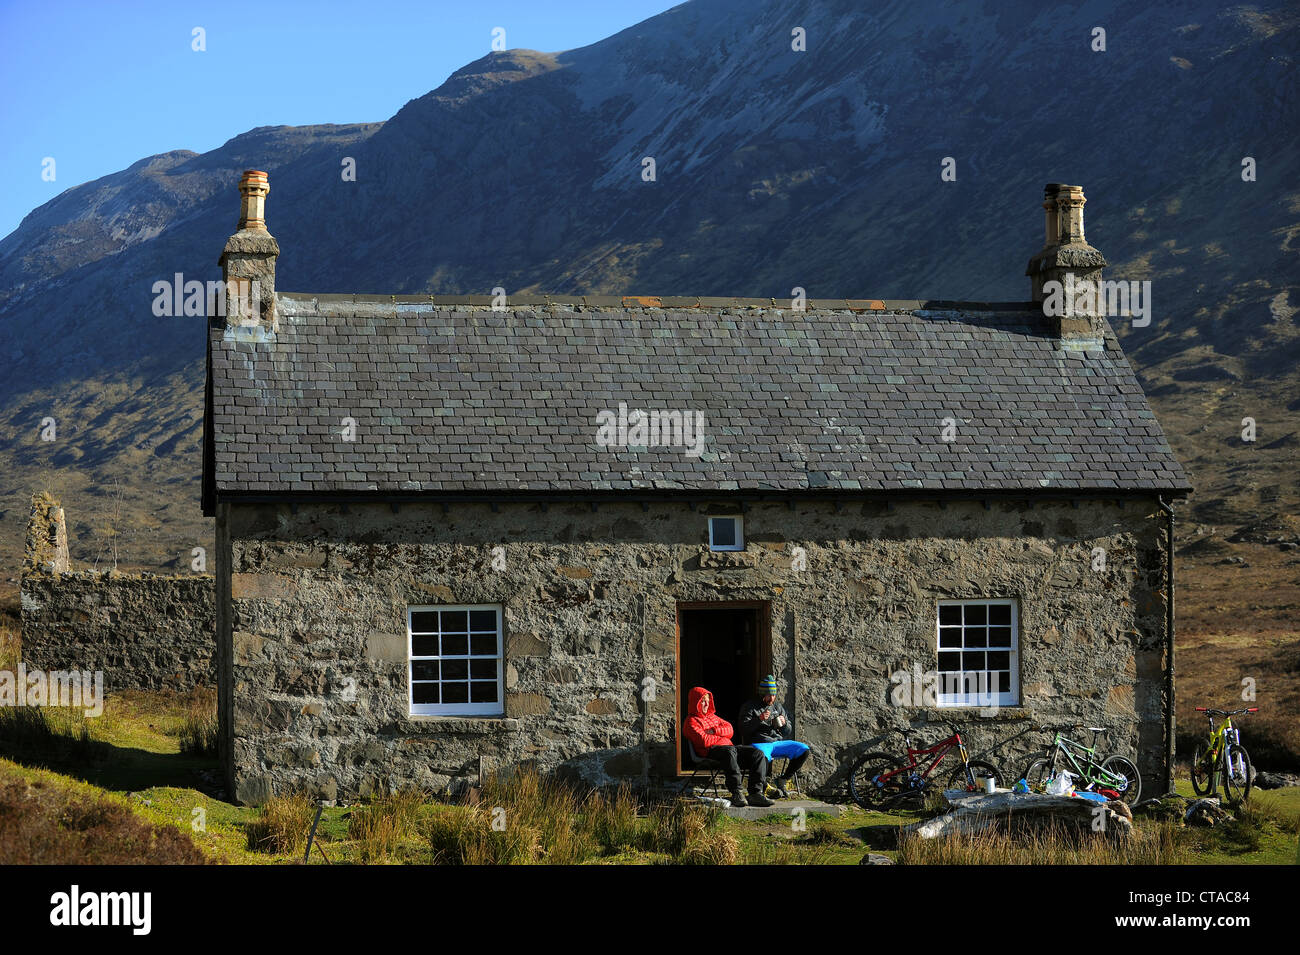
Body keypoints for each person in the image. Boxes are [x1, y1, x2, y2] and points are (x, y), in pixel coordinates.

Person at [684, 686, 772, 807]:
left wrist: (714, 731)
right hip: (710, 751)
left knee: (757, 753)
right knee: (729, 751)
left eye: (707, 701)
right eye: (702, 701)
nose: (706, 704)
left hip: (729, 749)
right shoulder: (691, 721)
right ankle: (737, 792)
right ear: (695, 702)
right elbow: (703, 740)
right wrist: (723, 738)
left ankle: (756, 793)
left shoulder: (713, 718)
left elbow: (730, 729)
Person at [739, 675, 812, 797]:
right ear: (762, 693)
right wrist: (758, 719)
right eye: (768, 695)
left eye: (773, 695)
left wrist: (784, 724)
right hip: (759, 742)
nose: (771, 698)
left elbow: (787, 731)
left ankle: (783, 779)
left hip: (777, 742)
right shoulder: (750, 706)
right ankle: (764, 786)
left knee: (803, 749)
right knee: (761, 756)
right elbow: (743, 729)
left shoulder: (777, 707)